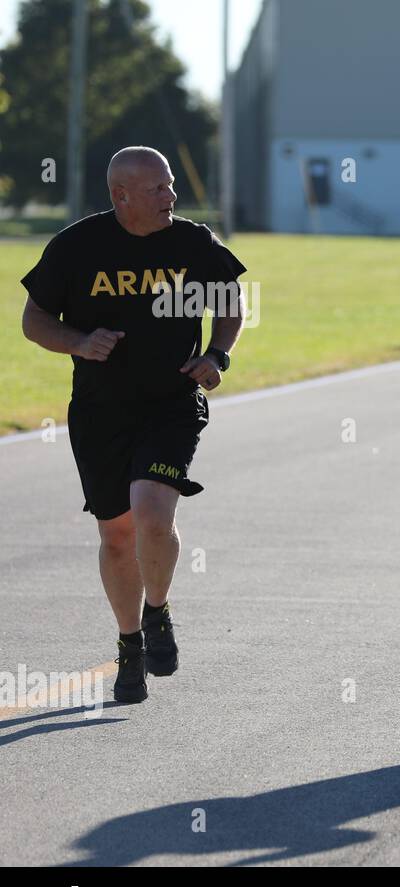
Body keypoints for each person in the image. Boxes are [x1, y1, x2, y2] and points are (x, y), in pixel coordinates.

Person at [20, 146, 247, 704]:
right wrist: (78, 342)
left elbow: (231, 302)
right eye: (157, 190)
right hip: (100, 412)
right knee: (116, 534)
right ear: (121, 196)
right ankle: (130, 644)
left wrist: (216, 356)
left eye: (171, 186)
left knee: (150, 511)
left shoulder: (194, 243)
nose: (171, 197)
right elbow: (34, 320)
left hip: (172, 402)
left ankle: (158, 609)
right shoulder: (77, 246)